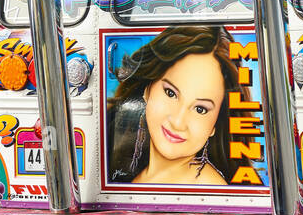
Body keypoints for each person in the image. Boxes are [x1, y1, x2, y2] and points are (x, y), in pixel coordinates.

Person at [106, 25, 252, 185]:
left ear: (215, 125)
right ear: (148, 90)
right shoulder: (128, 163)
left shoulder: (208, 186)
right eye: (171, 93)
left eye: (200, 109)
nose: (178, 122)